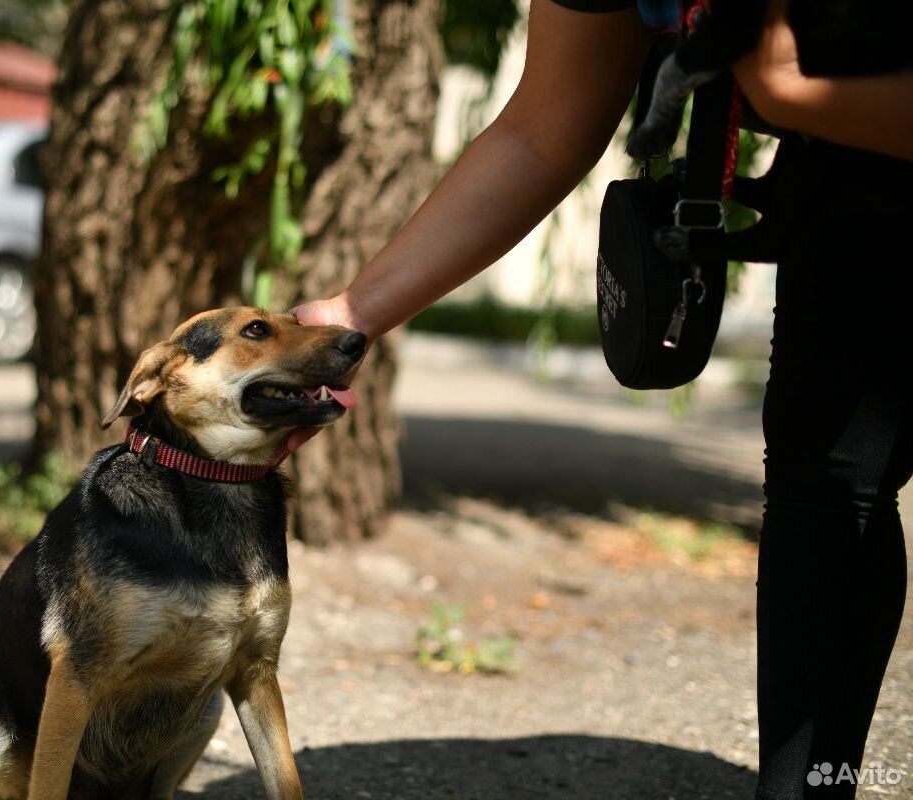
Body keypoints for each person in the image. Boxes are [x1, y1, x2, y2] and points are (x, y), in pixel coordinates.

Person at [289, 1, 913, 798]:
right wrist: (352, 318)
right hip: (851, 143)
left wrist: (777, 81)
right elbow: (540, 130)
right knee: (826, 479)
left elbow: (789, 74)